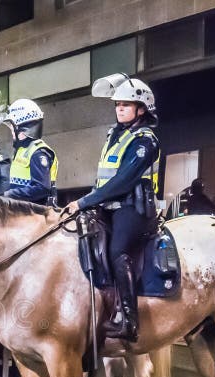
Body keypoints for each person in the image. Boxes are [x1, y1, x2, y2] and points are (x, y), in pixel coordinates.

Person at [63, 73, 161, 342]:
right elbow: (104, 179)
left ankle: (129, 321)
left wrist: (83, 201)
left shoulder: (145, 140)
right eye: (117, 104)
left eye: (126, 105)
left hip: (134, 209)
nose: (119, 108)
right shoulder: (115, 136)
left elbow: (122, 182)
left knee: (118, 251)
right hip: (109, 206)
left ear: (141, 109)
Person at [2, 99, 58, 204]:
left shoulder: (37, 152)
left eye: (12, 127)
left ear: (22, 128)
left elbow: (41, 188)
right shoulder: (22, 150)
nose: (11, 131)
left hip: (35, 212)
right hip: (20, 209)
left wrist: (8, 195)